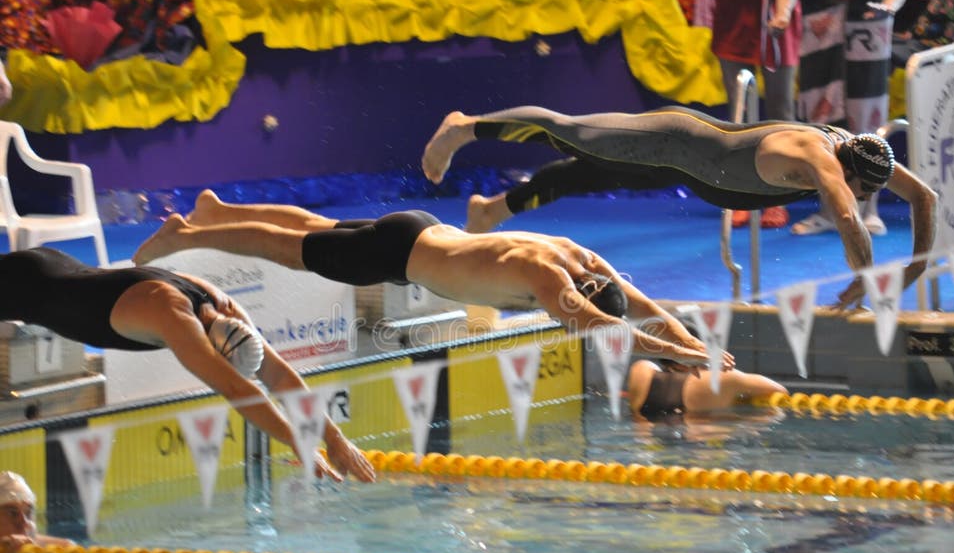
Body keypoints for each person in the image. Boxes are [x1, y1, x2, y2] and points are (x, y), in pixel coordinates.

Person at [133, 191, 729, 369]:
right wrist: (690, 357)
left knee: (317, 226)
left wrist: (701, 348)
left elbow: (642, 307)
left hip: (419, 229)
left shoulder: (578, 255)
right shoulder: (557, 286)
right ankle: (185, 236)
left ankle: (216, 211)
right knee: (289, 250)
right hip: (399, 254)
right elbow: (611, 330)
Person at [420, 106, 937, 307]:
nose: (865, 198)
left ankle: (492, 212)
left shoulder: (856, 155)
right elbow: (847, 218)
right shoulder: (819, 156)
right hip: (675, 142)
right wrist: (866, 283)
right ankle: (465, 127)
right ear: (848, 171)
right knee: (571, 135)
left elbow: (923, 197)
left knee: (588, 172)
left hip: (691, 174)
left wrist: (914, 268)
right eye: (863, 189)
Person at [0, 247, 375, 483]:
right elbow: (236, 389)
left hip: (53, 265)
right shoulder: (173, 316)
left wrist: (334, 439)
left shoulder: (222, 304)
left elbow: (276, 373)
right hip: (23, 287)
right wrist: (299, 442)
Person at [791, 0, 913, 237]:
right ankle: (829, 211)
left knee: (869, 112)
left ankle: (870, 210)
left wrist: (890, 5)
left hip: (869, 11)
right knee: (820, 115)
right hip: (816, 10)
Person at [712, 0, 801, 229]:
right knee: (738, 116)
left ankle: (778, 194)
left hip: (777, 16)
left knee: (781, 115)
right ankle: (741, 194)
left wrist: (783, 11)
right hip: (733, 16)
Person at [626, 359, 787, 424]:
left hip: (649, 429)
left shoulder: (640, 370)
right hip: (696, 435)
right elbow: (779, 391)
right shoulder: (723, 379)